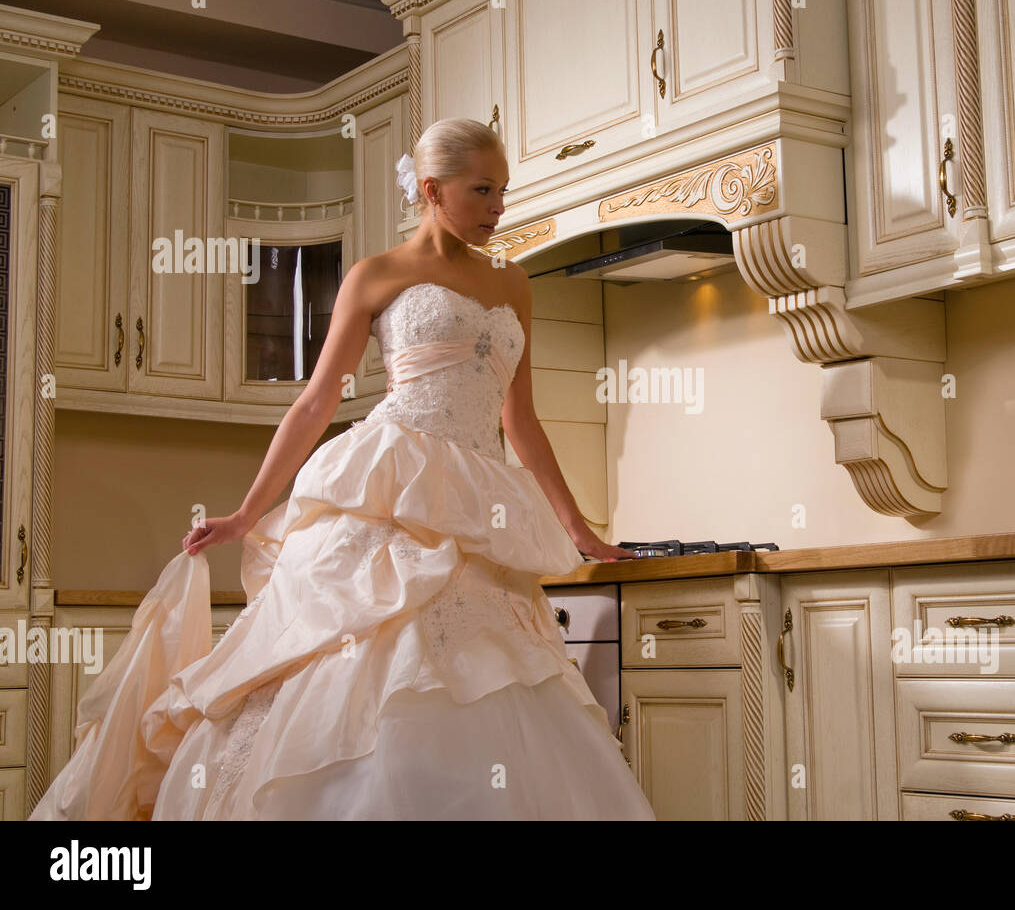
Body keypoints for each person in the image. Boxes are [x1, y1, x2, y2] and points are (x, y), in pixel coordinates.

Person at [29, 118, 655, 821]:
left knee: (499, 671)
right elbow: (315, 401)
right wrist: (244, 511)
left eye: (502, 191)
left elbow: (522, 420)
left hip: (478, 497)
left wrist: (581, 529)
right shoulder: (376, 274)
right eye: (481, 190)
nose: (497, 207)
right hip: (390, 476)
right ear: (431, 189)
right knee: (359, 656)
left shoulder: (514, 283)